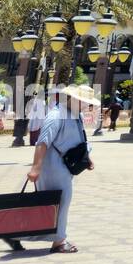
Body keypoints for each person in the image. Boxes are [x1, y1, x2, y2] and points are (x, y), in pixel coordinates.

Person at [26, 85, 96, 253]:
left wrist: (87, 159)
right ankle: (59, 241)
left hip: (65, 166)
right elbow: (42, 142)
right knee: (61, 202)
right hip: (53, 166)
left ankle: (14, 234)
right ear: (72, 99)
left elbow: (78, 139)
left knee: (56, 203)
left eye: (86, 102)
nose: (85, 105)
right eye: (82, 101)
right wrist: (36, 168)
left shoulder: (75, 115)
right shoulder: (56, 115)